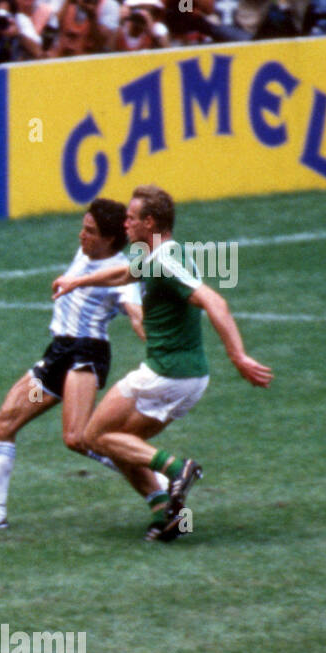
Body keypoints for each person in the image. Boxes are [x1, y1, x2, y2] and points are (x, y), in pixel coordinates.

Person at [51, 186, 274, 542]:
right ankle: (165, 515)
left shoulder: (168, 262)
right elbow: (123, 275)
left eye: (131, 218)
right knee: (124, 442)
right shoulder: (158, 254)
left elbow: (214, 302)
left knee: (93, 435)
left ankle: (177, 469)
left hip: (167, 374)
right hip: (188, 378)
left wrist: (238, 356)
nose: (125, 223)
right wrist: (78, 280)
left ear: (149, 222)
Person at [0, 198, 149, 531]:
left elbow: (135, 310)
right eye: (82, 227)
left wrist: (149, 334)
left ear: (109, 239)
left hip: (85, 357)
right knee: (3, 422)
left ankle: (159, 485)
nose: (81, 235)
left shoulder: (123, 274)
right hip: (57, 358)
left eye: (90, 231)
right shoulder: (87, 251)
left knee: (79, 438)